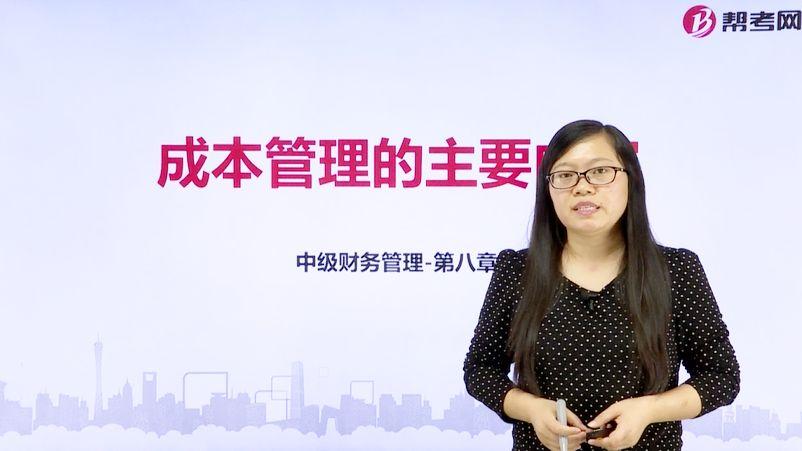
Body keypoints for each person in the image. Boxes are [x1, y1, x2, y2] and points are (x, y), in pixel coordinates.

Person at [462, 120, 740, 450]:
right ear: (548, 188)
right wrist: (531, 410)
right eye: (565, 175)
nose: (582, 187)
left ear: (630, 179)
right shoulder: (517, 270)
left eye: (599, 172)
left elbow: (721, 376)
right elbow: (480, 370)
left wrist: (649, 411)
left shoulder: (676, 270)